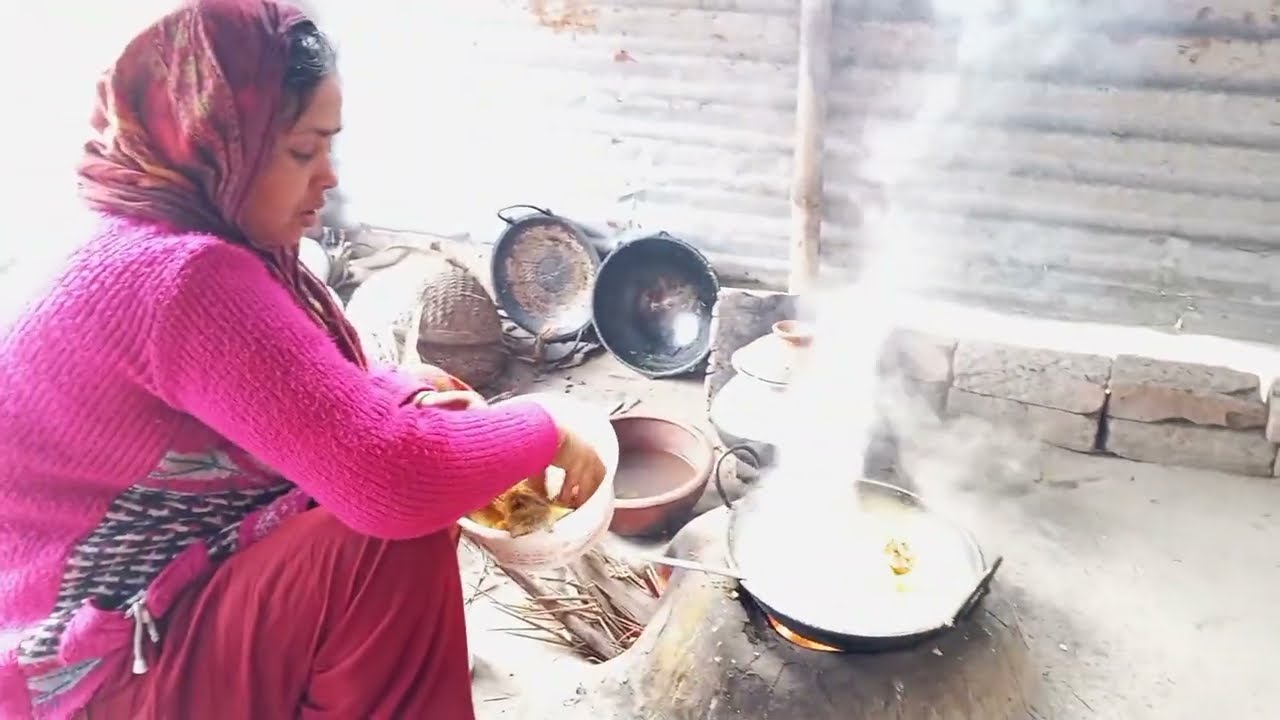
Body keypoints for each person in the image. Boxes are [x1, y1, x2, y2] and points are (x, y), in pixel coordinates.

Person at [0, 1, 607, 718]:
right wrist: (551, 425)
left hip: (111, 613)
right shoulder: (179, 277)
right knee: (383, 542)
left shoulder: (144, 223)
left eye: (328, 147)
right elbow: (392, 480)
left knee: (411, 411)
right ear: (219, 140)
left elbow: (292, 398)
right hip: (91, 676)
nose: (327, 177)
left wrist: (404, 391)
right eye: (300, 151)